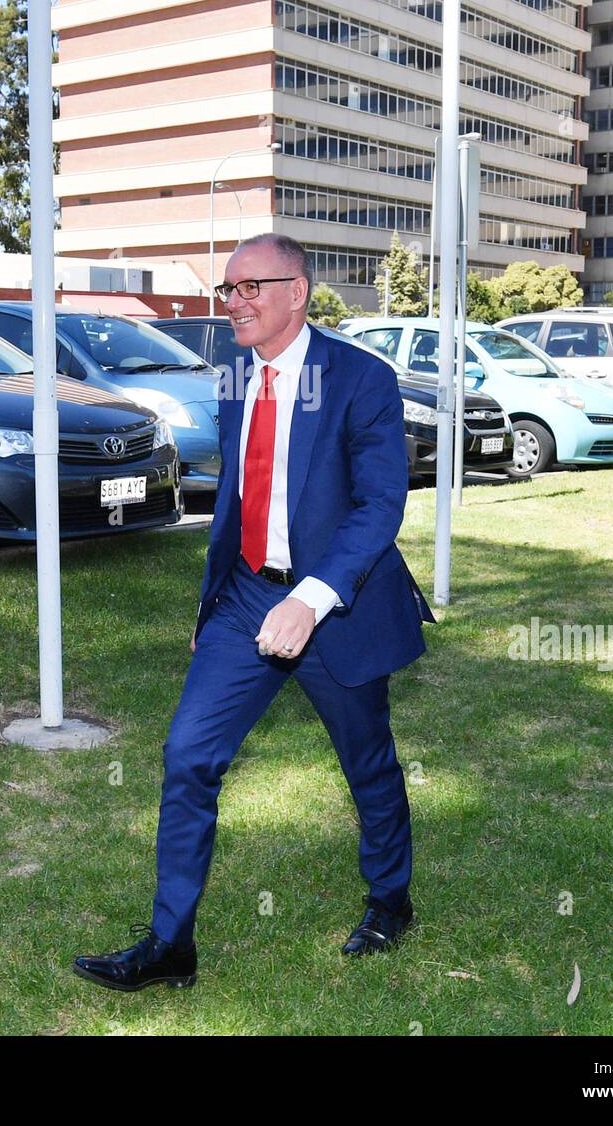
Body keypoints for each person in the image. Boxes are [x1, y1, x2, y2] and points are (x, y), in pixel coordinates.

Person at [73, 234, 434, 992]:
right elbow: (239, 502)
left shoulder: (360, 380)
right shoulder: (236, 374)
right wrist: (212, 602)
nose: (231, 303)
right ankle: (171, 943)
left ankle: (390, 899)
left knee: (365, 760)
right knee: (188, 755)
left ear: (296, 293)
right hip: (245, 597)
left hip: (336, 603)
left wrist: (310, 600)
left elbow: (379, 506)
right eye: (226, 289)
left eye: (247, 288)